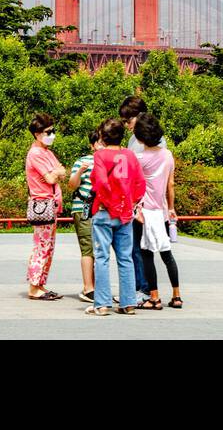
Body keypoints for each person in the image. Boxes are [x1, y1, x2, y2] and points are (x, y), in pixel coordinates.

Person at [86, 117, 146, 316]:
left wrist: (110, 205)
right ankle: (128, 303)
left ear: (102, 137)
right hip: (125, 213)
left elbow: (101, 183)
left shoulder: (100, 156)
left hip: (104, 211)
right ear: (122, 136)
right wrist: (129, 204)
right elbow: (140, 184)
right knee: (125, 258)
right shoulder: (130, 155)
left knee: (102, 258)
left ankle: (102, 304)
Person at [133, 111, 182, 309]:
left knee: (146, 254)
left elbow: (134, 186)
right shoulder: (168, 155)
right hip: (162, 210)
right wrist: (171, 208)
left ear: (140, 137)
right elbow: (170, 185)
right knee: (167, 254)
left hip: (145, 212)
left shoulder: (139, 159)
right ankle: (177, 295)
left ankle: (154, 297)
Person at [119, 95, 164, 306]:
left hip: (145, 202)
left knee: (140, 249)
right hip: (135, 200)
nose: (126, 125)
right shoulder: (133, 139)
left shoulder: (152, 141)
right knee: (135, 247)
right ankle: (140, 288)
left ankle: (145, 290)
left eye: (128, 121)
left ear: (138, 117)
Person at [25, 112, 66, 300]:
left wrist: (56, 172)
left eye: (52, 131)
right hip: (42, 204)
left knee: (48, 247)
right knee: (41, 246)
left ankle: (40, 283)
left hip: (51, 203)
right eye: (48, 132)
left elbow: (62, 172)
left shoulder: (47, 152)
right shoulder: (35, 153)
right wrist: (55, 172)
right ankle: (34, 286)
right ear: (37, 133)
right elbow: (51, 177)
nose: (52, 135)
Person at [68, 129, 102, 302]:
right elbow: (72, 185)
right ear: (92, 145)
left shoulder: (111, 160)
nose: (103, 145)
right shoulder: (82, 161)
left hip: (102, 210)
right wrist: (80, 172)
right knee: (88, 247)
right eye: (99, 142)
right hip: (83, 208)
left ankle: (96, 287)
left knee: (99, 249)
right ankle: (88, 288)